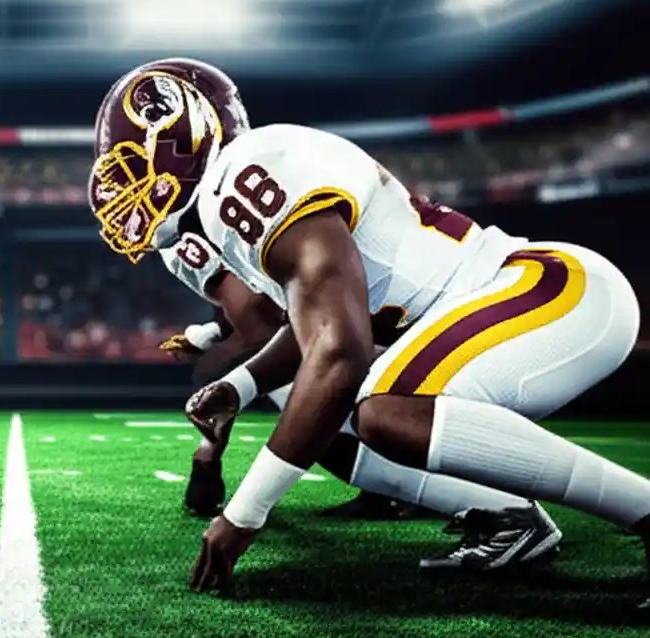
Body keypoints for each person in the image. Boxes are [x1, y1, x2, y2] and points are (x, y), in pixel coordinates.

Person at [89, 58, 647, 604]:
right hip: (525, 301)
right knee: (351, 420)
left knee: (385, 407)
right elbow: (316, 327)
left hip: (548, 290)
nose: (127, 184)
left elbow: (339, 352)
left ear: (184, 128)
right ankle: (508, 517)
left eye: (131, 160)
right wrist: (239, 388)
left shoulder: (242, 174)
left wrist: (244, 515)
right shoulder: (239, 188)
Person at [158, 233, 558, 569]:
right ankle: (461, 499)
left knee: (331, 424)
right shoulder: (237, 209)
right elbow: (261, 310)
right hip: (404, 308)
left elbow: (261, 326)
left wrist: (226, 382)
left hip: (407, 318)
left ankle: (502, 509)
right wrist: (210, 338)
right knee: (336, 419)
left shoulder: (200, 231)